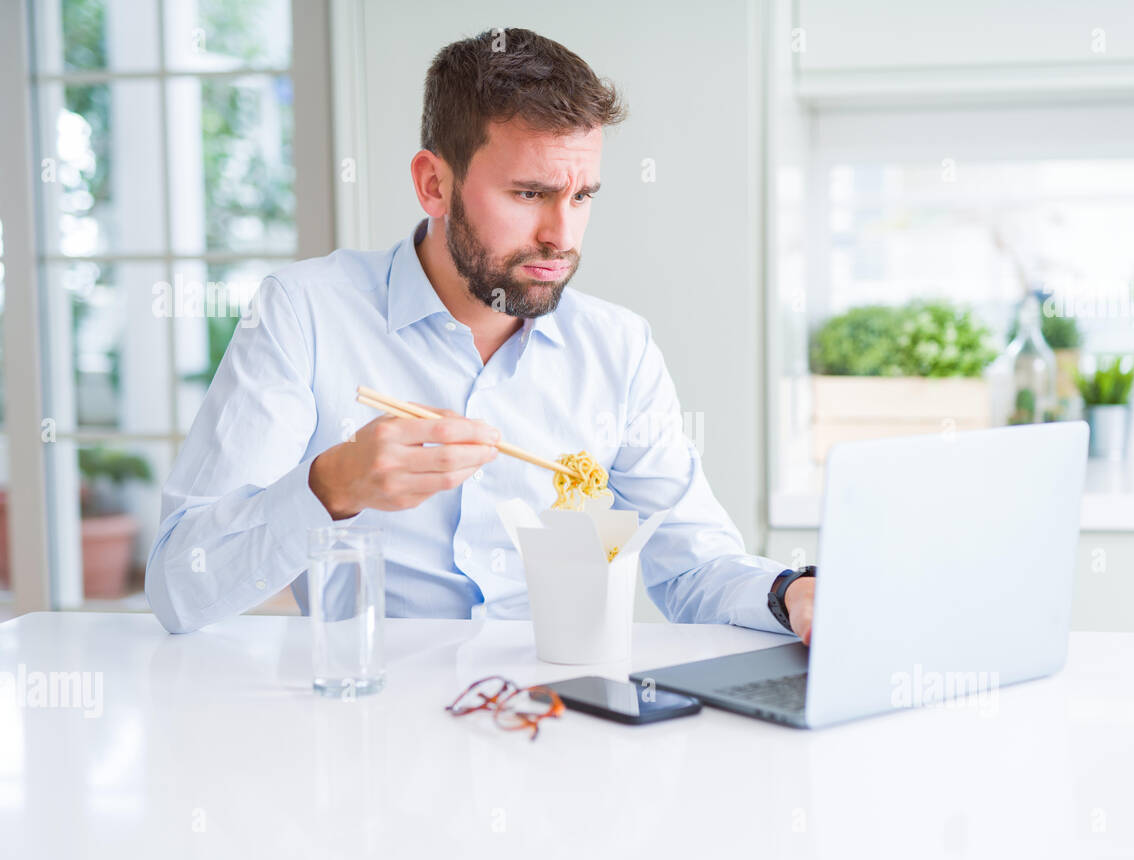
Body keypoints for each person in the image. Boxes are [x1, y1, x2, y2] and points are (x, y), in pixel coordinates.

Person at [145, 28, 816, 641]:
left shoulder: (619, 349)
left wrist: (791, 593)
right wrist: (331, 487)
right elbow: (180, 585)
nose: (562, 235)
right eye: (529, 194)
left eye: (582, 197)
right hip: (368, 726)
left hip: (553, 718)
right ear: (433, 184)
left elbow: (693, 564)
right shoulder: (305, 314)